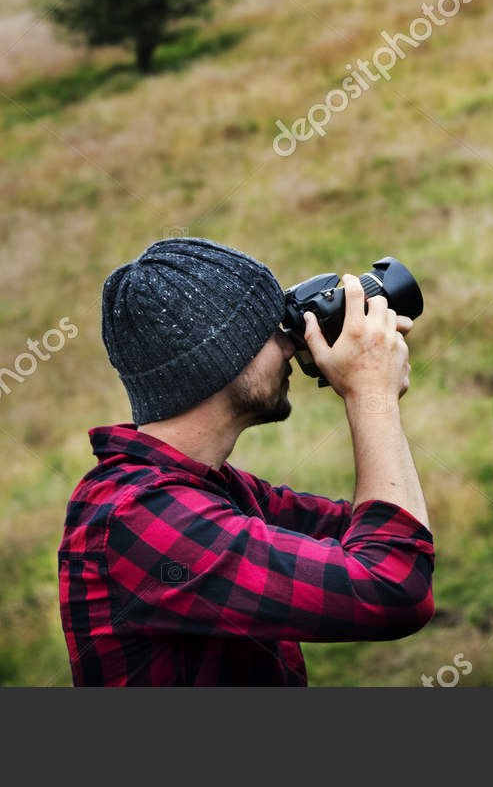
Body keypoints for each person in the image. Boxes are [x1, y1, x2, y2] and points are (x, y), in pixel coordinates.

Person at [58, 237, 433, 686]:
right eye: (273, 330)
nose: (292, 346)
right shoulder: (142, 518)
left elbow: (392, 539)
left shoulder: (208, 490)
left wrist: (372, 383)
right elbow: (393, 586)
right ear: (221, 358)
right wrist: (372, 395)